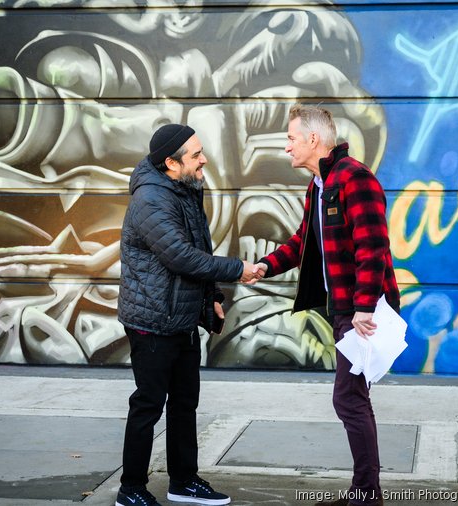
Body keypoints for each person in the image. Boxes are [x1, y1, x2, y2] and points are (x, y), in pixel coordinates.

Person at [254, 104, 400, 506]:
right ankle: (364, 493)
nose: (287, 147)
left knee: (348, 398)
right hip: (343, 308)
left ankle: (366, 497)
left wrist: (365, 308)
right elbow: (304, 241)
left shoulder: (356, 180)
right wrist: (265, 266)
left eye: (290, 138)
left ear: (313, 140)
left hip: (361, 312)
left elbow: (373, 247)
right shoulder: (319, 185)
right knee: (354, 397)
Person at [117, 123, 261, 506]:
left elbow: (198, 246)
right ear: (170, 162)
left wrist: (211, 297)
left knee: (184, 403)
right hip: (151, 320)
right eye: (196, 155)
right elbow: (179, 256)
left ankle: (183, 482)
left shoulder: (184, 190)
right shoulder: (151, 199)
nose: (204, 160)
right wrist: (236, 270)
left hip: (178, 318)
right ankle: (130, 490)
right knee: (148, 404)